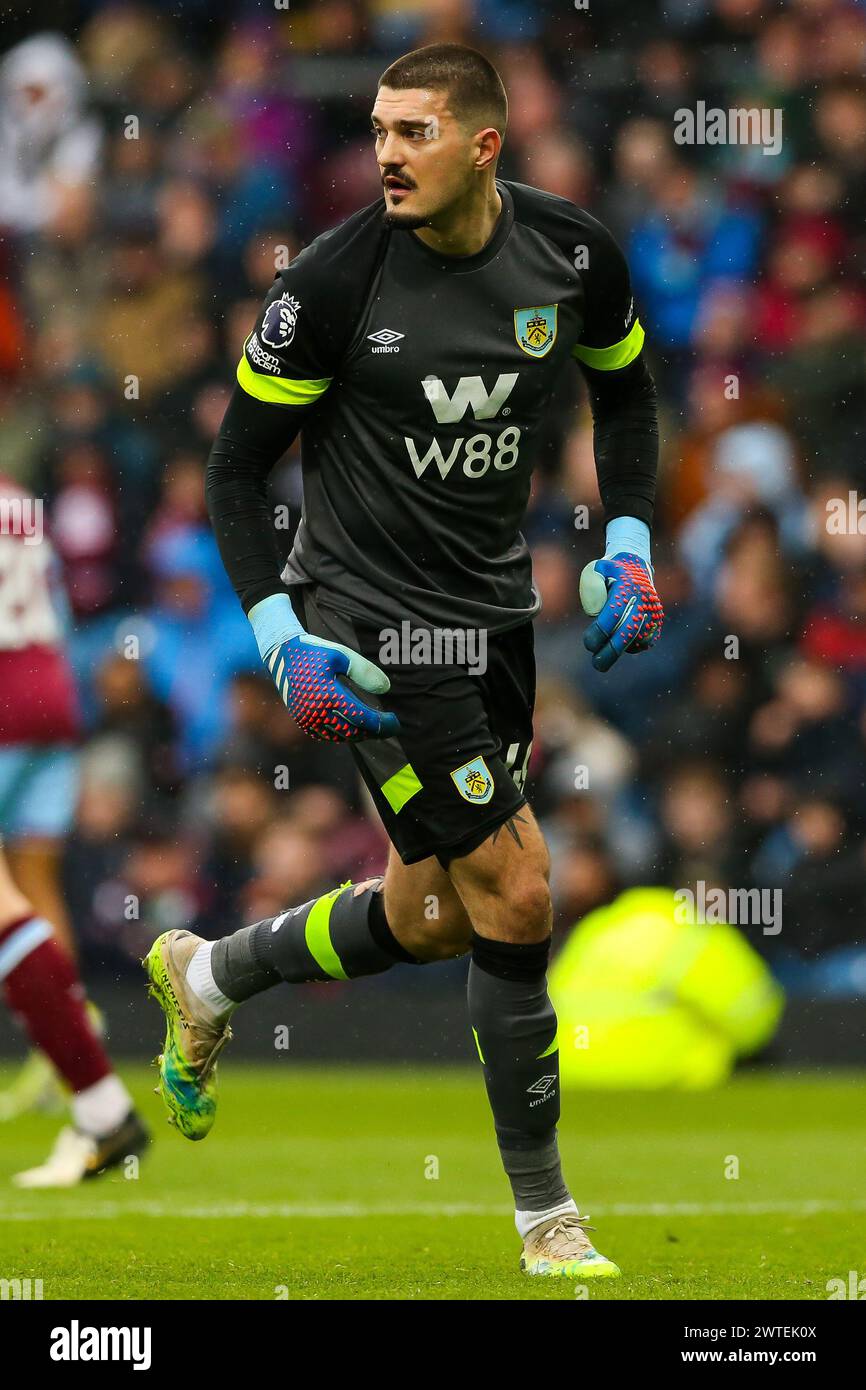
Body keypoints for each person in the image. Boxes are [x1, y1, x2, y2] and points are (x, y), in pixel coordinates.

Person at [145, 42, 662, 1280]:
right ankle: (547, 1216)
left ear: (483, 144)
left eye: (413, 130)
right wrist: (282, 638)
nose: (383, 151)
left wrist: (629, 542)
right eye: (376, 129)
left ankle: (209, 974)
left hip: (491, 619)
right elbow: (231, 471)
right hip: (369, 624)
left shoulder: (572, 255)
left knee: (434, 915)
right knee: (521, 892)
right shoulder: (326, 285)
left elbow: (626, 396)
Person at [0, 475, 148, 1183]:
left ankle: (91, 1093)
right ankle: (67, 1037)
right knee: (29, 889)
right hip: (48, 699)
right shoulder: (16, 495)